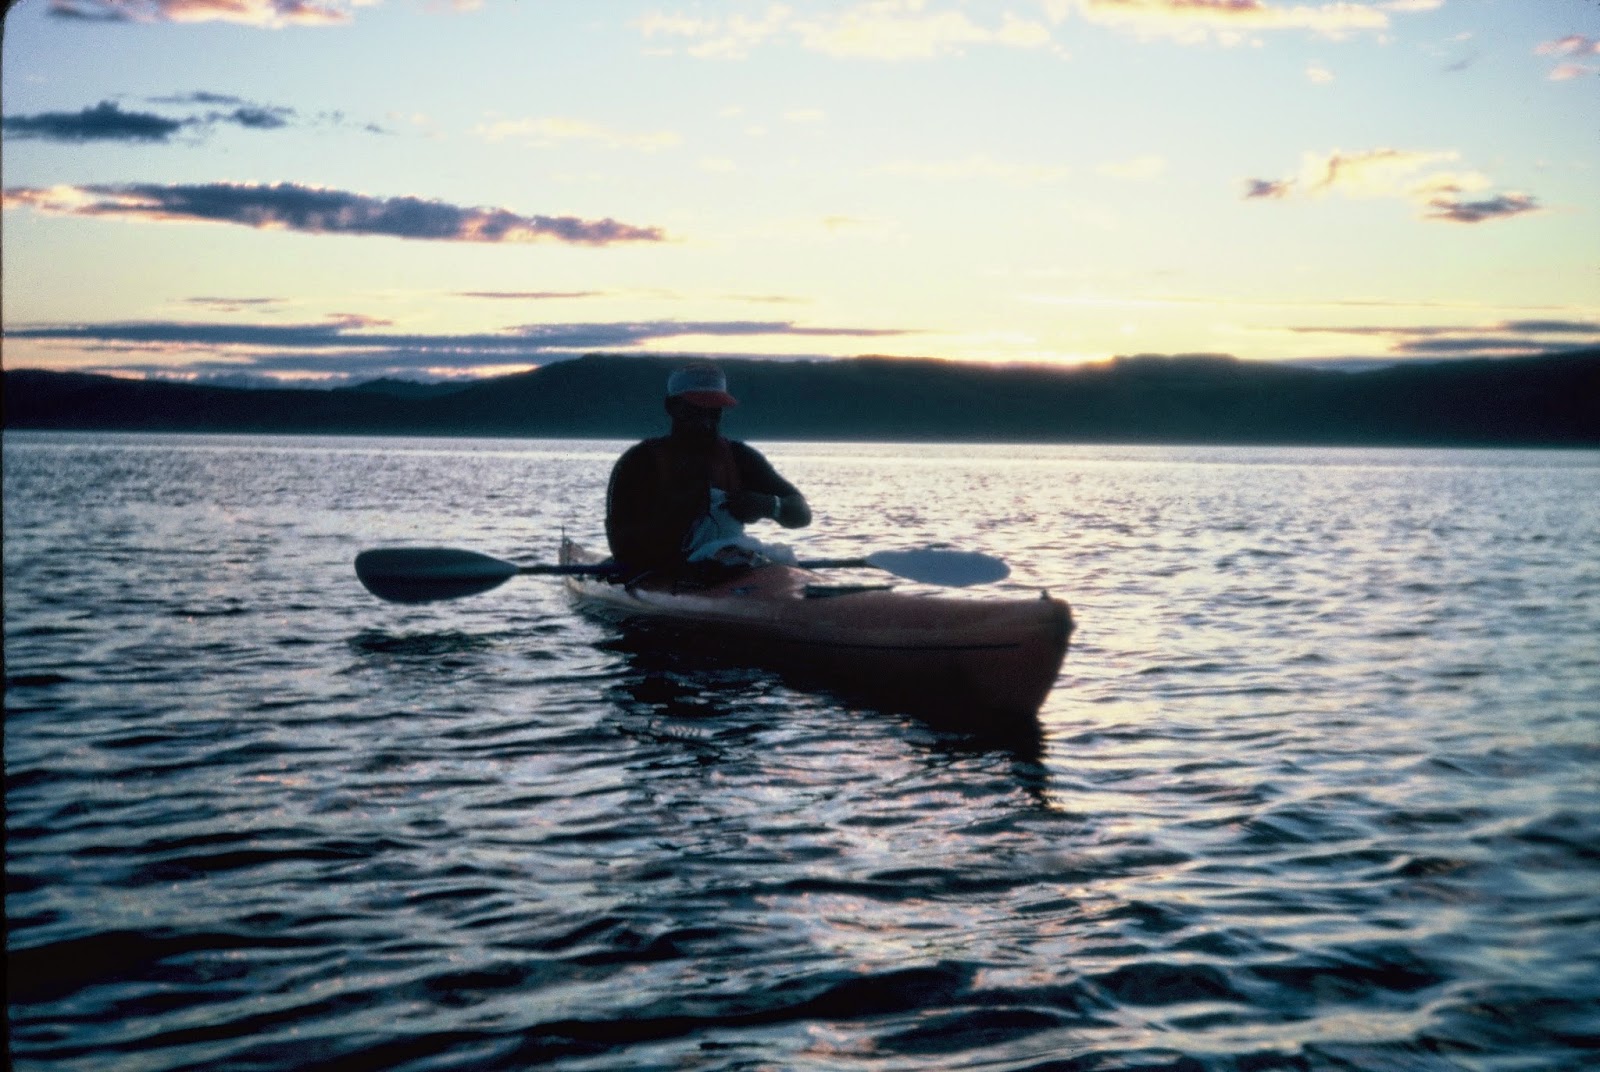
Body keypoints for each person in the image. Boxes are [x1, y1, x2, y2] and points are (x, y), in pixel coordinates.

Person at [605, 363, 811, 579]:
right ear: (672, 407)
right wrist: (677, 515)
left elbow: (802, 514)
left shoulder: (741, 458)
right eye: (695, 412)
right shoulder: (639, 462)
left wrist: (769, 506)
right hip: (658, 572)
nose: (706, 423)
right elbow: (620, 547)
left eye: (714, 413)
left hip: (728, 568)